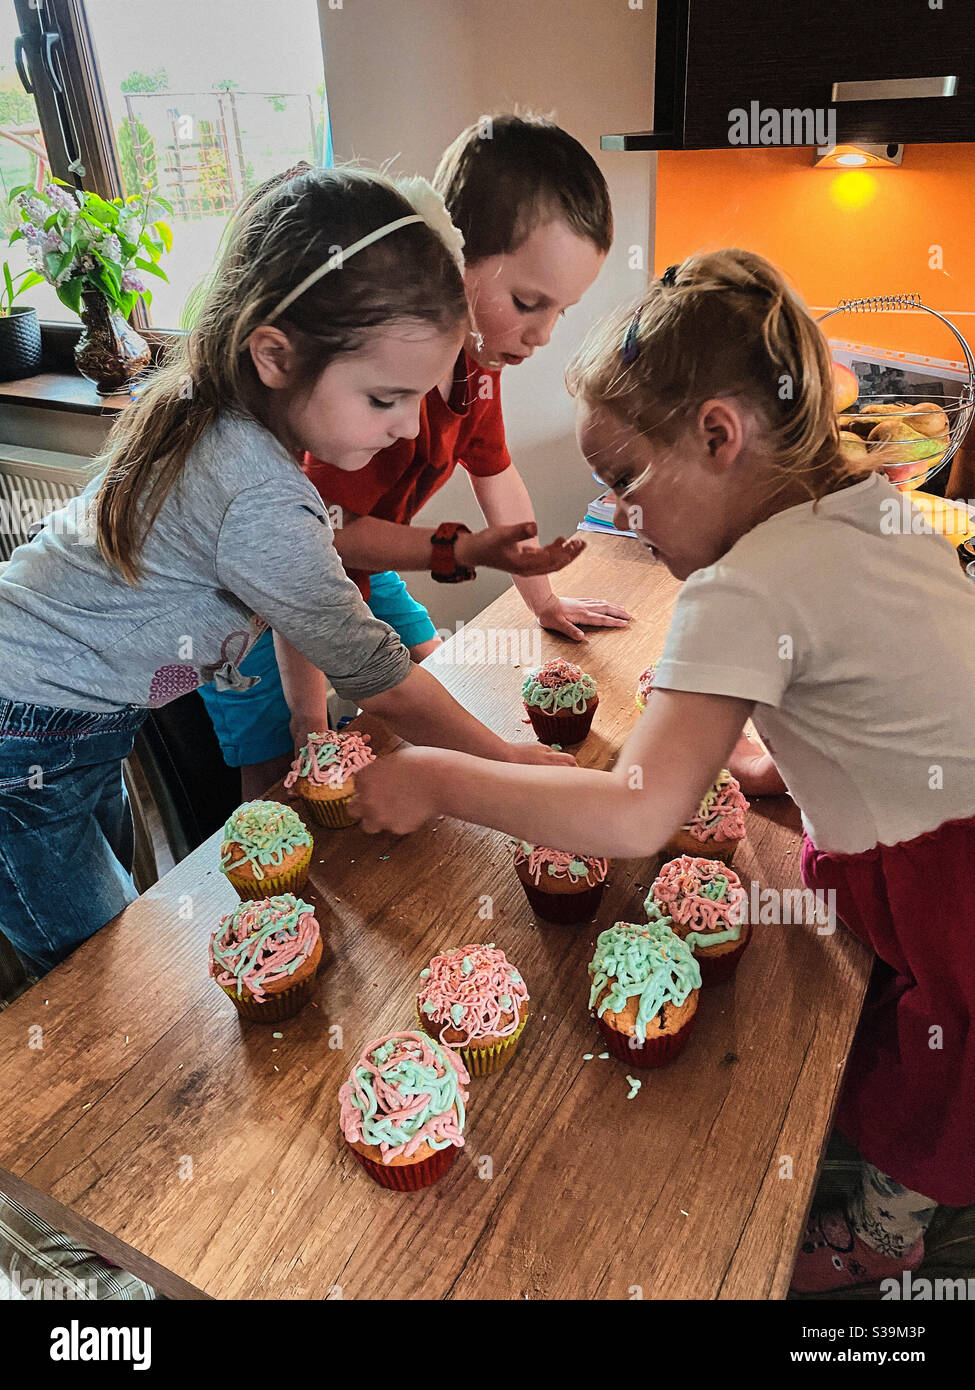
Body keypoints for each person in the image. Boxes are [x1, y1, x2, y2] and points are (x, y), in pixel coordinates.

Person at [350, 247, 975, 1291]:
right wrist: (780, 769)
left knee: (936, 1070)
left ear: (719, 434)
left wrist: (439, 780)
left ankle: (881, 1241)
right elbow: (889, 695)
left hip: (954, 892)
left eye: (626, 482)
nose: (622, 519)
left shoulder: (749, 582)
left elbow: (637, 815)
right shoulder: (868, 507)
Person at [0, 165, 575, 978]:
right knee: (89, 977)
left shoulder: (218, 414)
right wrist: (503, 763)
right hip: (23, 733)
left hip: (76, 722)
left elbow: (334, 572)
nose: (408, 425)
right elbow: (376, 672)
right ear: (274, 354)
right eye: (384, 398)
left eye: (418, 397)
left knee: (106, 929)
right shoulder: (258, 492)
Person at [199, 115, 631, 800]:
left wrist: (539, 596)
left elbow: (495, 472)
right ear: (451, 264)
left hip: (364, 563)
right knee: (283, 761)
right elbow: (321, 547)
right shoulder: (358, 395)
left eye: (561, 311)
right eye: (526, 302)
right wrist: (312, 720)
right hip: (261, 607)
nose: (544, 334)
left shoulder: (476, 369)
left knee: (438, 678)